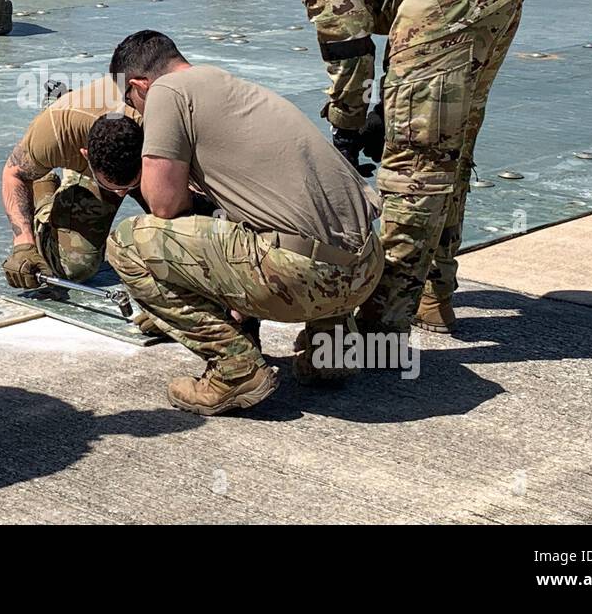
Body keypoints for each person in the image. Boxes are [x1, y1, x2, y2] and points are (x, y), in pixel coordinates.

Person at [219, 0, 528, 335]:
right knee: (447, 154)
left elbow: (348, 42)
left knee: (412, 168)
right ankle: (433, 295)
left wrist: (345, 129)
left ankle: (383, 322)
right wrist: (383, 110)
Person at [98, 31, 384, 415]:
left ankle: (235, 370)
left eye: (130, 101)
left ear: (139, 86)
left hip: (307, 277)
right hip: (365, 268)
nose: (133, 110)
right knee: (283, 221)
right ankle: (330, 351)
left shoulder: (166, 93)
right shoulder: (227, 84)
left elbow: (164, 205)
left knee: (128, 243)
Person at [0, 76, 143, 291]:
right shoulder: (55, 130)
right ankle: (43, 179)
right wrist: (23, 243)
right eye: (114, 187)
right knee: (73, 266)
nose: (122, 194)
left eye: (129, 186)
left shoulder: (166, 130)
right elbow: (14, 174)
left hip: (154, 153)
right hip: (76, 130)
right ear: (85, 156)